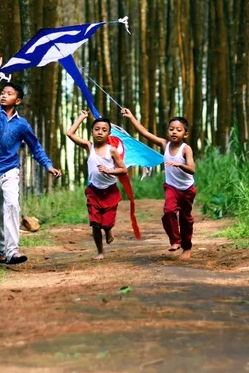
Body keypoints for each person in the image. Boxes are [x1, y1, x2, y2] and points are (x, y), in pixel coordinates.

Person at [0, 53, 62, 265]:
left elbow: (36, 147)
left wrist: (49, 165)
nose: (3, 96)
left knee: (12, 206)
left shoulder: (22, 125)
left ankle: (14, 251)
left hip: (9, 170)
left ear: (18, 100)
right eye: (3, 92)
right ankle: (0, 249)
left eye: (9, 93)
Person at [120, 108, 197, 259]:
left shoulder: (186, 149)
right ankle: (175, 241)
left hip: (187, 189)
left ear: (185, 134)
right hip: (171, 187)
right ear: (168, 132)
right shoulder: (165, 144)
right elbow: (145, 134)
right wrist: (131, 118)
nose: (174, 132)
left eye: (178, 130)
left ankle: (187, 248)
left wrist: (179, 165)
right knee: (169, 211)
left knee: (185, 218)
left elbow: (192, 169)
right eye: (171, 129)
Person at [66, 110, 128, 260]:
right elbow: (70, 134)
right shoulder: (89, 146)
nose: (100, 132)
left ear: (109, 133)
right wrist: (81, 117)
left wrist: (109, 170)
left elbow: (124, 170)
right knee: (95, 223)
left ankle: (108, 229)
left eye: (104, 130)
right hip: (94, 191)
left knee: (106, 224)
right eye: (97, 129)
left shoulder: (111, 150)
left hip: (110, 192)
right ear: (92, 131)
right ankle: (100, 252)